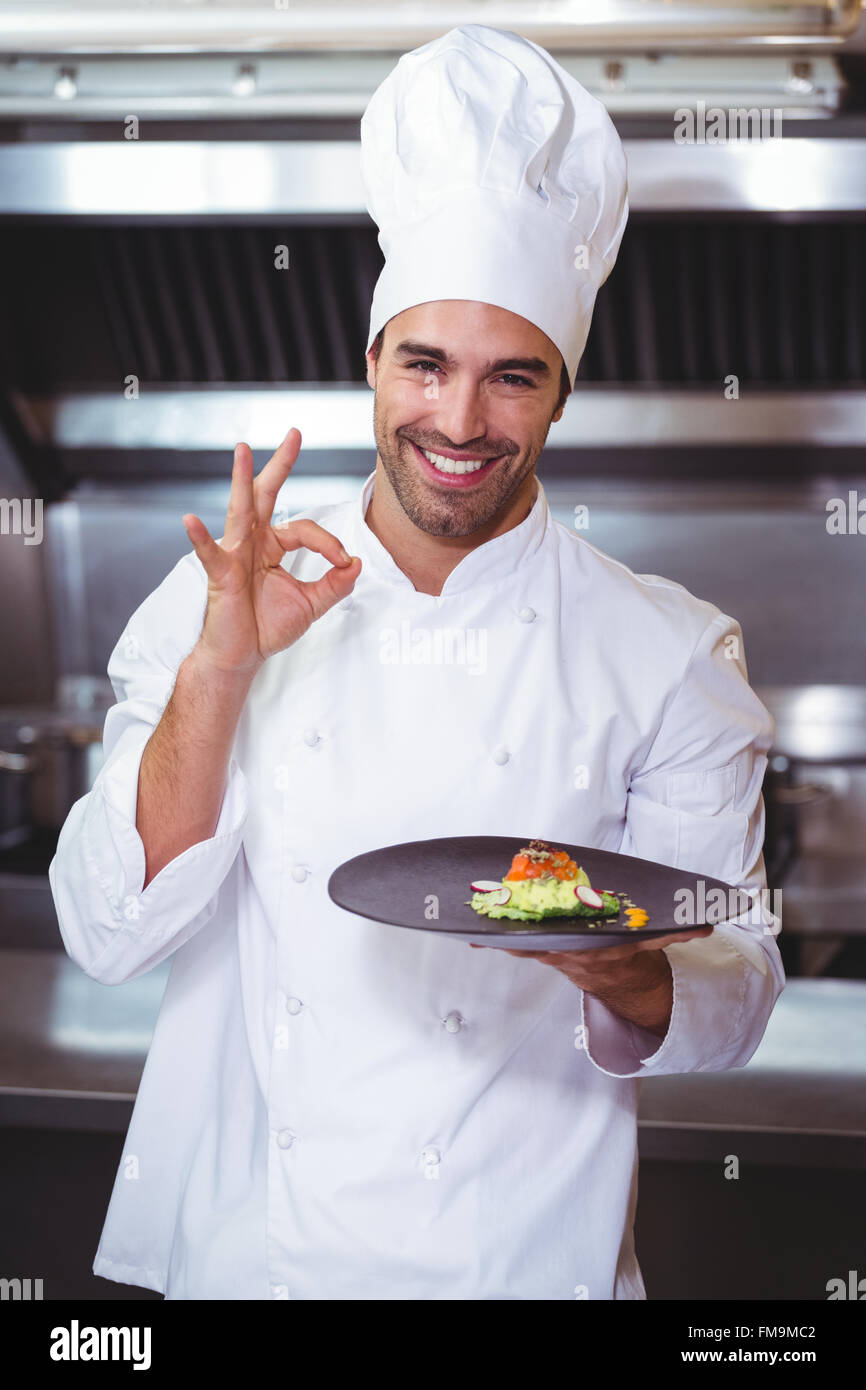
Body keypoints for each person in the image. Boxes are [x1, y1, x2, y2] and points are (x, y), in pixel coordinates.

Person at [49, 25, 784, 1300]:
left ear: (559, 394)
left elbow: (739, 986)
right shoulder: (224, 593)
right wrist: (219, 675)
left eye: (512, 377)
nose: (458, 420)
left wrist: (618, 961)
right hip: (256, 1264)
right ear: (369, 362)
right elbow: (104, 934)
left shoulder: (667, 653)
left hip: (521, 1266)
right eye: (424, 364)